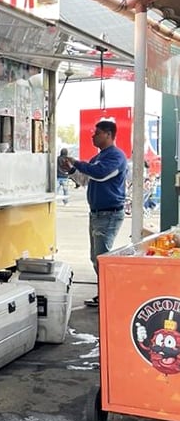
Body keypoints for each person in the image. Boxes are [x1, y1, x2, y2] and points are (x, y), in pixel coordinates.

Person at [64, 120, 128, 308]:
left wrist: (77, 163)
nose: (93, 136)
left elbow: (100, 174)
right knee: (97, 257)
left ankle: (111, 294)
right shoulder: (97, 158)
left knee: (102, 257)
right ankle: (106, 293)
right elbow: (86, 180)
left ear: (108, 134)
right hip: (97, 214)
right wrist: (72, 171)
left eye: (97, 133)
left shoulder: (116, 157)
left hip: (109, 214)